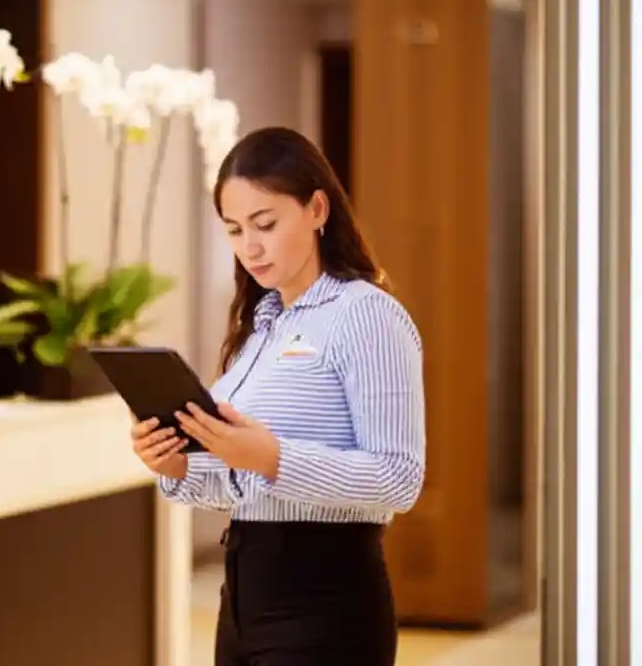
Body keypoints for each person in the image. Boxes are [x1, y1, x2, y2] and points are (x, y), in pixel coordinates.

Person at [128, 126, 426, 665]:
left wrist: (273, 457)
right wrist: (178, 465)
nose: (250, 247)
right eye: (235, 230)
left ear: (317, 209)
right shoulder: (263, 326)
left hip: (325, 604)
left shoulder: (366, 315)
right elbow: (242, 484)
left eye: (265, 224)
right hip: (243, 600)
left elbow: (397, 478)